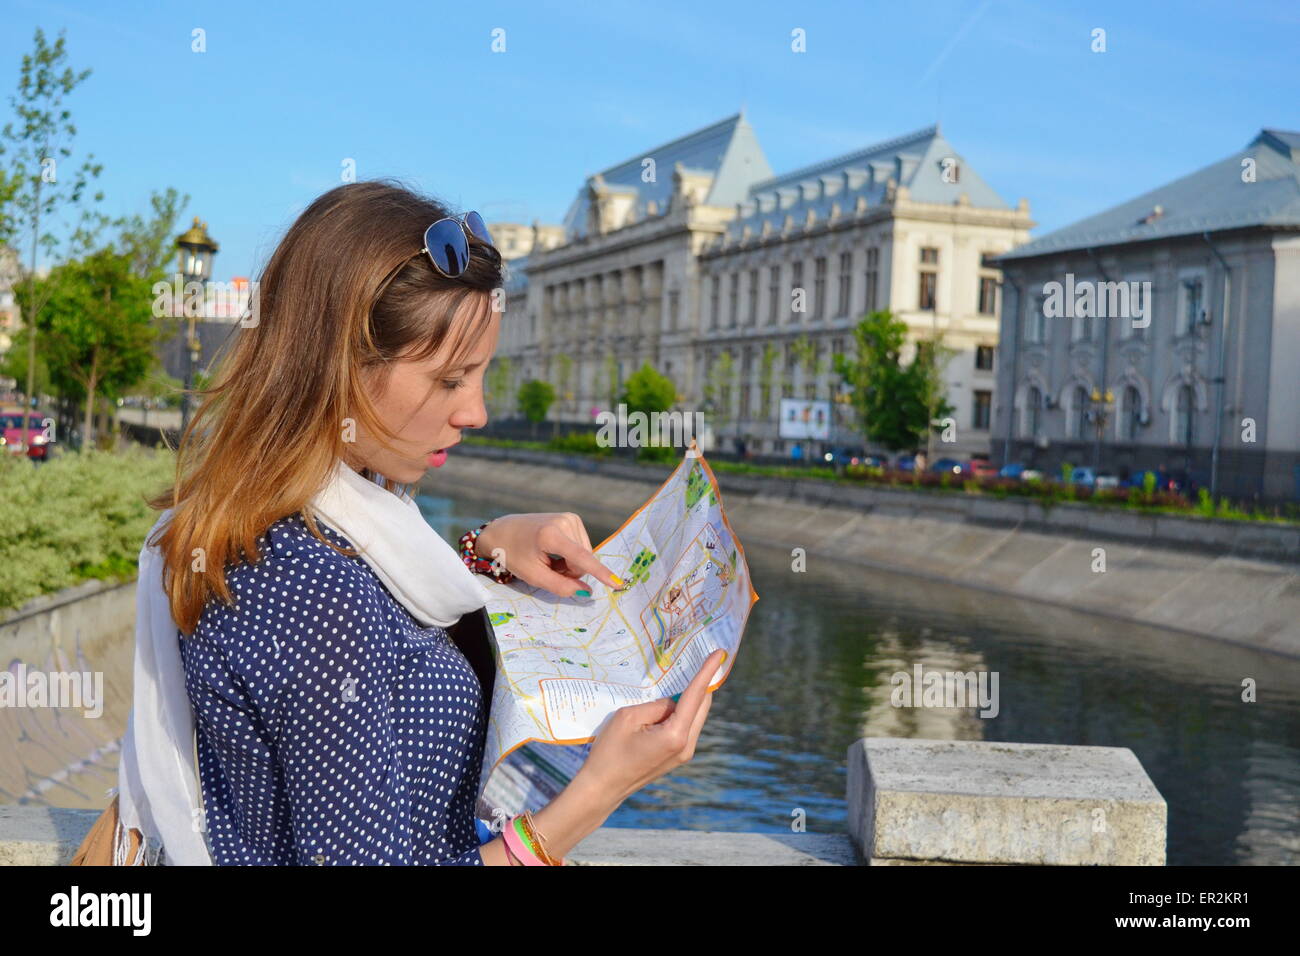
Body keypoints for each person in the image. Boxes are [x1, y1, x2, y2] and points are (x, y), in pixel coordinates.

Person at [119, 181, 723, 866]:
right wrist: (598, 793)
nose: (477, 413)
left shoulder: (301, 523)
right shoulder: (314, 595)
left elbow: (385, 627)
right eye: (449, 381)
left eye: (482, 376)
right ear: (338, 368)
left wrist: (488, 548)